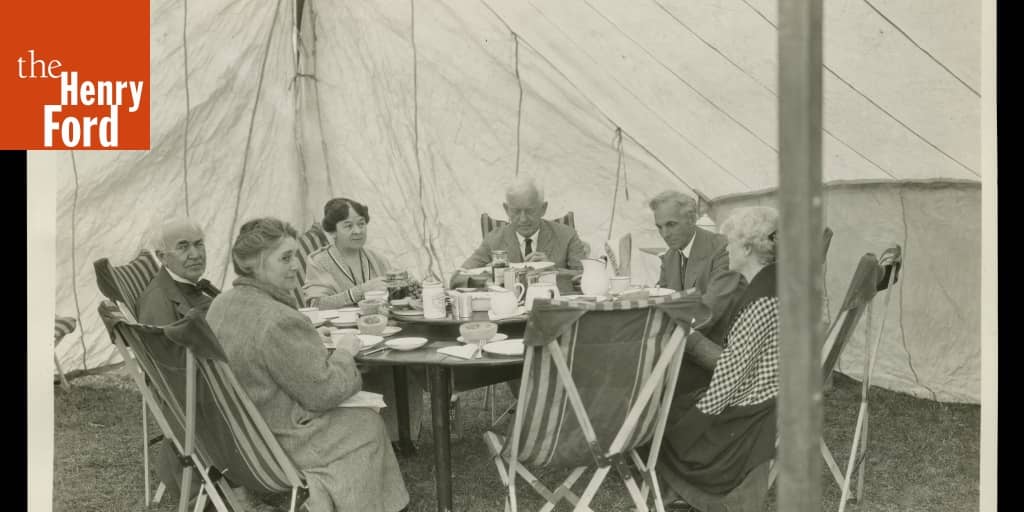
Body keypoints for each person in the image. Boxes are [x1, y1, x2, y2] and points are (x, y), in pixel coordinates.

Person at [205, 217, 409, 512]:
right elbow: (324, 393)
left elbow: (262, 351)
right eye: (285, 258)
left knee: (359, 418)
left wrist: (308, 338)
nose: (296, 267)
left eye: (295, 257)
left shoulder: (222, 303)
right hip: (280, 438)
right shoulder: (278, 319)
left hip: (239, 435)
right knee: (365, 422)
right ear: (254, 264)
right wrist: (343, 352)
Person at [657, 206, 780, 512]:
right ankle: (677, 497)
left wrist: (684, 334)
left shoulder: (761, 300)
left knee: (660, 418)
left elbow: (728, 379)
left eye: (730, 244)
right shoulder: (773, 283)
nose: (725, 251)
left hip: (750, 411)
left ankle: (683, 498)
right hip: (766, 396)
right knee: (677, 401)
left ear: (748, 248)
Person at [302, 198, 425, 444]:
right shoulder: (319, 261)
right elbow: (316, 304)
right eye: (348, 225)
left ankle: (404, 433)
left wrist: (409, 292)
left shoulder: (374, 258)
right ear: (332, 230)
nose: (357, 231)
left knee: (411, 359)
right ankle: (382, 434)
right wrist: (359, 291)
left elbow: (399, 290)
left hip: (381, 334)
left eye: (361, 224)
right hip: (342, 341)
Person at [136, 217, 227, 509]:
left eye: (199, 244)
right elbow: (174, 378)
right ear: (163, 257)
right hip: (205, 401)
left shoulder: (189, 286)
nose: (195, 254)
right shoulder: (159, 301)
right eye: (184, 247)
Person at [649, 191, 745, 395]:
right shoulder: (669, 257)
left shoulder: (722, 248)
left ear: (692, 219)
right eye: (659, 227)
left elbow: (708, 312)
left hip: (720, 351)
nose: (665, 234)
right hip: (686, 343)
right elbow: (662, 299)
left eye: (671, 224)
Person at [455, 178, 588, 291]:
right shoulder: (493, 240)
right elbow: (457, 278)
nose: (523, 219)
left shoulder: (567, 235)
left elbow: (586, 277)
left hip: (552, 316)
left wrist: (552, 272)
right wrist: (487, 279)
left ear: (543, 208)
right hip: (507, 317)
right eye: (516, 211)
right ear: (506, 209)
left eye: (530, 211)